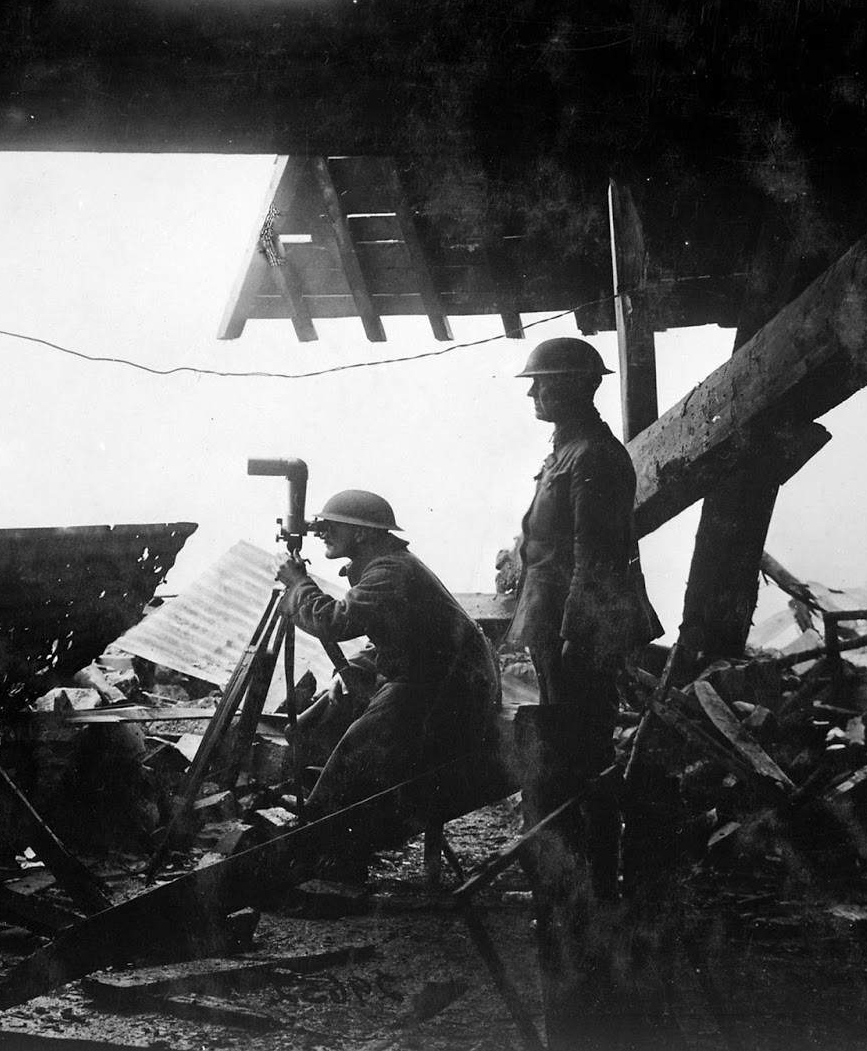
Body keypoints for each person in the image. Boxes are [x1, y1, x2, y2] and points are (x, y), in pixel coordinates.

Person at [505, 336, 663, 889]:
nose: (533, 392)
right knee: (564, 749)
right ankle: (573, 875)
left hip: (579, 632)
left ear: (577, 386)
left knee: (578, 753)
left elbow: (595, 559)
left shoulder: (594, 455)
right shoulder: (568, 451)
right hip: (558, 627)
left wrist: (576, 636)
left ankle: (591, 884)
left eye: (542, 381)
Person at [275, 489, 500, 874]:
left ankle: (313, 855)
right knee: (314, 723)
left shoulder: (390, 570)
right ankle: (332, 834)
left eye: (332, 526)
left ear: (362, 535)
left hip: (451, 688)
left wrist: (298, 584)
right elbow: (400, 634)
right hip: (430, 676)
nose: (322, 532)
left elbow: (336, 621)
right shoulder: (387, 565)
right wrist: (350, 673)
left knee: (355, 751)